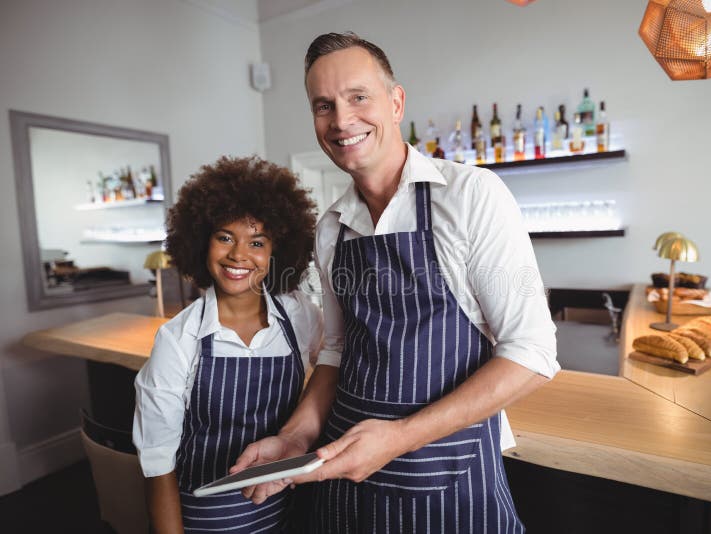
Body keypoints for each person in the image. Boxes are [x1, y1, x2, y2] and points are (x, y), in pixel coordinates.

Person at [232, 32, 559, 532]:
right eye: (323, 106)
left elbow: (531, 354)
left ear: (396, 101)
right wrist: (296, 439)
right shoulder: (331, 228)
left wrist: (400, 437)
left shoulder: (472, 196)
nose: (341, 121)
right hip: (343, 474)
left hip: (447, 477)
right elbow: (337, 351)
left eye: (358, 97)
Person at [133, 156, 323, 533]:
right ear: (201, 242)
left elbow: (335, 365)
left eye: (256, 241)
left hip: (288, 509)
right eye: (225, 237)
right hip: (210, 522)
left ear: (276, 251)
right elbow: (158, 467)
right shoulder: (178, 340)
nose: (239, 255)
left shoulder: (298, 314)